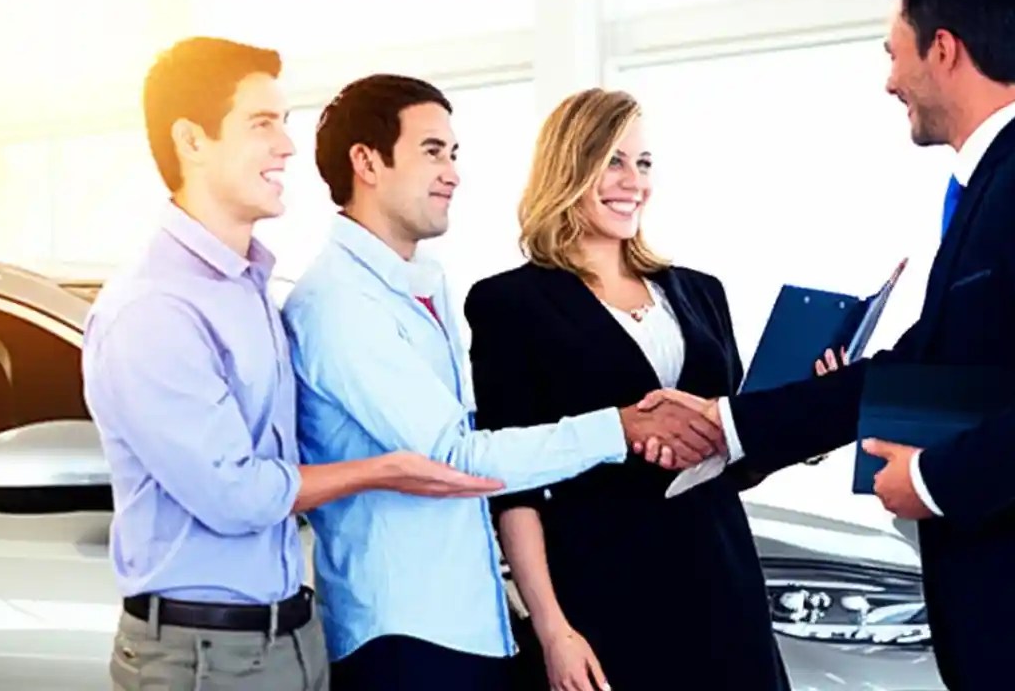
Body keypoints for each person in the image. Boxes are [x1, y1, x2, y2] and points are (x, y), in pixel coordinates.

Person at [647, 0, 1015, 689]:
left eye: (894, 54)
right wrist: (730, 425)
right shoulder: (996, 188)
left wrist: (934, 479)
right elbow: (918, 366)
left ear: (942, 49)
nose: (890, 82)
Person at [82, 37, 506, 691]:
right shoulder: (153, 308)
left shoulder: (251, 288)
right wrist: (383, 470)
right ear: (192, 141)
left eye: (284, 121)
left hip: (295, 634)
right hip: (204, 656)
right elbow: (234, 494)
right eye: (262, 124)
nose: (287, 145)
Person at [279, 73, 727, 691]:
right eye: (432, 152)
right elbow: (452, 459)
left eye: (453, 153)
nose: (453, 174)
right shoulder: (340, 304)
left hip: (468, 622)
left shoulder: (421, 283)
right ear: (367, 162)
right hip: (404, 634)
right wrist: (620, 428)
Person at [464, 88, 791, 691]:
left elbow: (734, 460)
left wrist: (798, 415)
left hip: (724, 585)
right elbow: (515, 488)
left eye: (643, 163)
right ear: (569, 166)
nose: (633, 181)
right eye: (612, 161)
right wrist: (553, 630)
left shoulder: (701, 292)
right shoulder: (508, 303)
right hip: (605, 594)